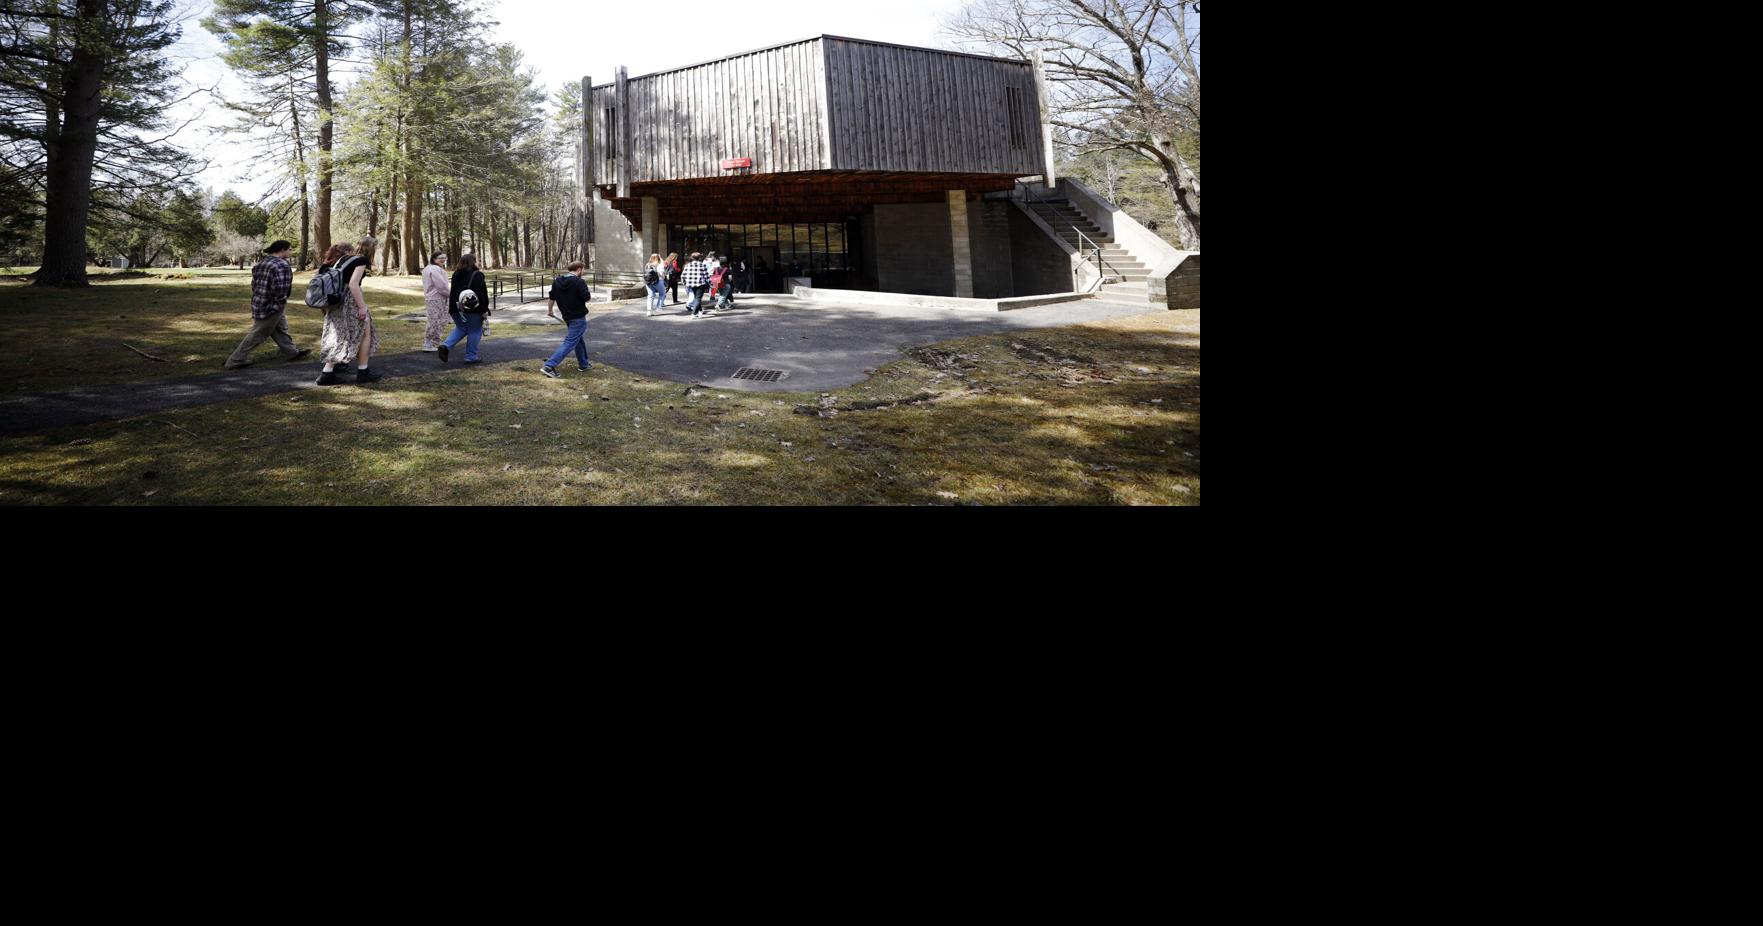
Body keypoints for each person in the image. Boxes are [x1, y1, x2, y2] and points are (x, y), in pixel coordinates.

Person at [223, 240, 309, 369]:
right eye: (289, 249)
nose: (291, 252)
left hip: (259, 302)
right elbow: (281, 288)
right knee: (258, 333)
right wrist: (279, 303)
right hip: (273, 305)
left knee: (280, 329)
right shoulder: (282, 265)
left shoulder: (262, 263)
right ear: (282, 250)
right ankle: (235, 360)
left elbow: (254, 284)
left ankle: (292, 353)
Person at [315, 238, 382, 385]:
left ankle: (326, 373)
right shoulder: (362, 260)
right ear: (371, 249)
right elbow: (353, 284)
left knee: (339, 334)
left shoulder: (345, 258)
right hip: (351, 300)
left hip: (337, 300)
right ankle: (363, 371)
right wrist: (362, 307)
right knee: (365, 332)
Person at [540, 261, 592, 378]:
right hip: (578, 318)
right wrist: (586, 291)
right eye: (583, 270)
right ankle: (549, 366)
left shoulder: (557, 281)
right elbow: (587, 298)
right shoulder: (580, 282)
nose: (584, 272)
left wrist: (550, 310)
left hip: (567, 317)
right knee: (570, 342)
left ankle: (584, 364)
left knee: (577, 339)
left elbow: (551, 297)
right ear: (579, 269)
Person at [438, 252, 489, 363]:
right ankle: (471, 356)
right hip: (472, 308)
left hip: (456, 308)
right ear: (473, 262)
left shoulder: (456, 274)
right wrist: (484, 309)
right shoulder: (477, 275)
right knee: (475, 330)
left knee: (462, 328)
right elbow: (481, 294)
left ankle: (445, 346)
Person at [421, 251, 450, 351]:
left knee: (437, 320)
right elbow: (441, 285)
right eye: (440, 258)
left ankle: (436, 341)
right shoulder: (435, 269)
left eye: (444, 257)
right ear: (434, 259)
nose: (443, 259)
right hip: (437, 297)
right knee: (434, 320)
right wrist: (450, 294)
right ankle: (427, 343)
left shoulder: (428, 268)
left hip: (433, 297)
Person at [681, 251, 711, 317]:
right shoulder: (702, 265)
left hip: (691, 284)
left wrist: (685, 283)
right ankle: (694, 313)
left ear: (692, 257)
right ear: (699, 258)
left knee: (696, 298)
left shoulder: (688, 265)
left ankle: (700, 310)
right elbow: (706, 276)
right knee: (698, 298)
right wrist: (709, 282)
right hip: (700, 284)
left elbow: (683, 275)